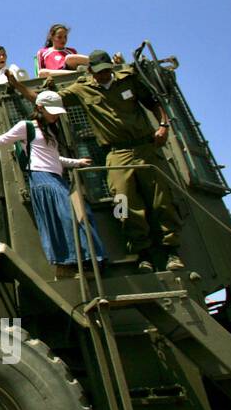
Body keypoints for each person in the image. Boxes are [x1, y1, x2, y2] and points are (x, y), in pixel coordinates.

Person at [58, 49, 184, 272]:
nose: (103, 75)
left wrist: (163, 125)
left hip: (145, 148)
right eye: (98, 72)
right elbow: (50, 101)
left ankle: (171, 251)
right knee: (122, 203)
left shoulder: (129, 80)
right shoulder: (81, 89)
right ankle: (142, 253)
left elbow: (153, 102)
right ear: (90, 71)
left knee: (161, 200)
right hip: (117, 154)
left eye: (107, 70)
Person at [0, 73, 105, 276]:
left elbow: (54, 158)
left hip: (56, 178)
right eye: (52, 111)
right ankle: (77, 262)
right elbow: (2, 141)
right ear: (39, 108)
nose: (56, 115)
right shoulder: (26, 126)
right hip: (42, 179)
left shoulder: (50, 129)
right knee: (69, 215)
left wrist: (77, 162)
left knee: (80, 213)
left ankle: (82, 262)